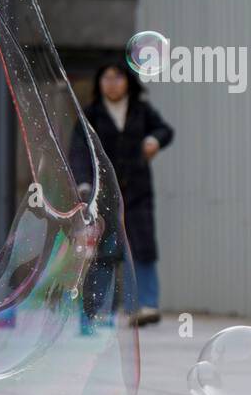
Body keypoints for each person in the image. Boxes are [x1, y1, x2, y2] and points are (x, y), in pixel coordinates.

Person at [68, 62, 174, 327]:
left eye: (117, 77)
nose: (112, 83)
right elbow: (79, 151)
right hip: (103, 193)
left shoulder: (141, 110)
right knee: (105, 249)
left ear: (128, 81)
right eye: (106, 77)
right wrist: (83, 184)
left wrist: (154, 141)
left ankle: (145, 306)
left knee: (143, 248)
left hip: (138, 190)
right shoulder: (91, 114)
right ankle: (100, 310)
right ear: (99, 83)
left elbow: (165, 130)